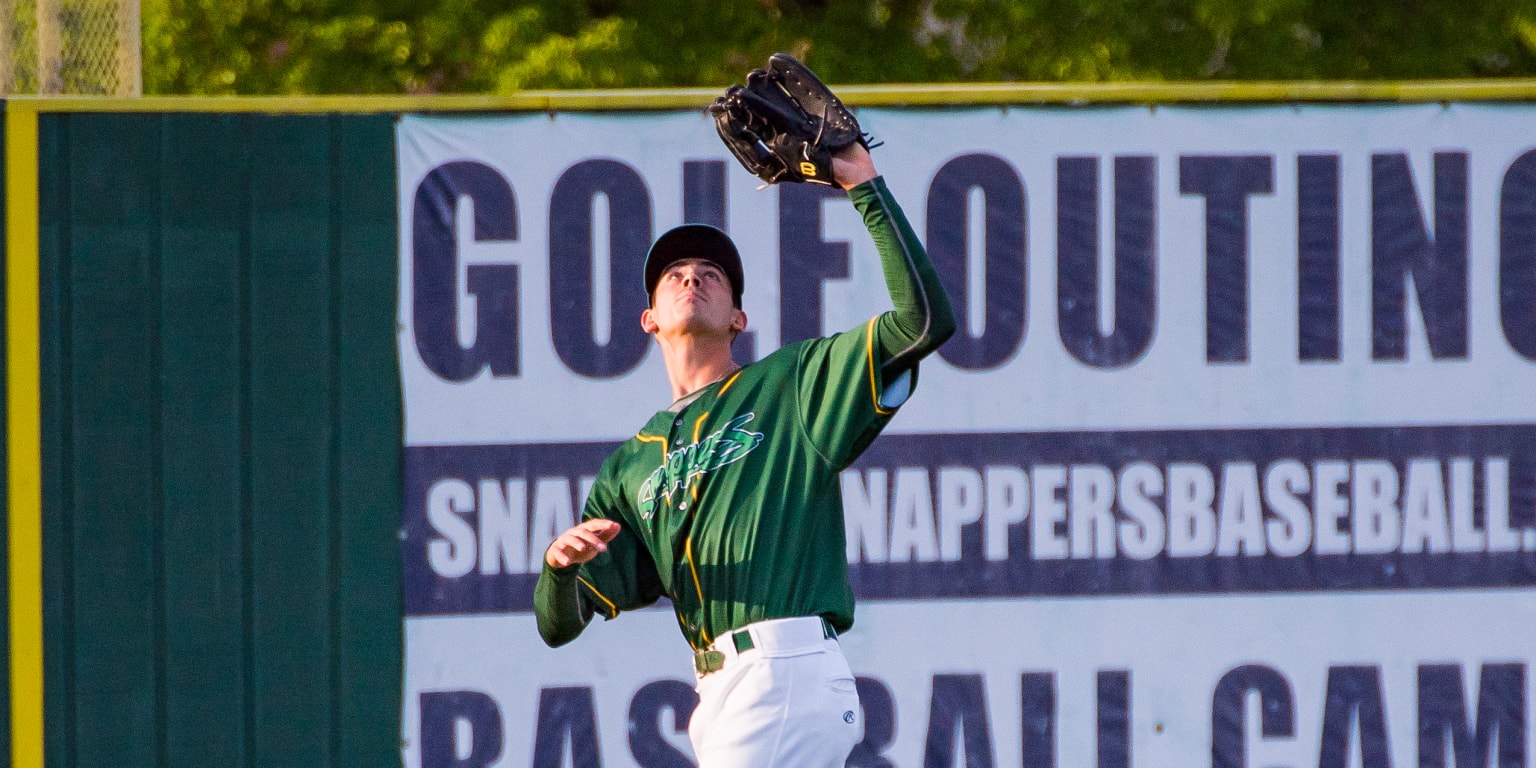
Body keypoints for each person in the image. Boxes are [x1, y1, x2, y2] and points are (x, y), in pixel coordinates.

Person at [534, 142, 955, 766]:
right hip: (719, 693)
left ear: (738, 317)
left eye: (712, 273)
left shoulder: (790, 385)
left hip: (783, 670)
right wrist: (557, 569)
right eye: (674, 274)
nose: (692, 277)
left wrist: (863, 184)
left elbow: (923, 321)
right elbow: (559, 626)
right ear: (649, 320)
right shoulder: (631, 467)